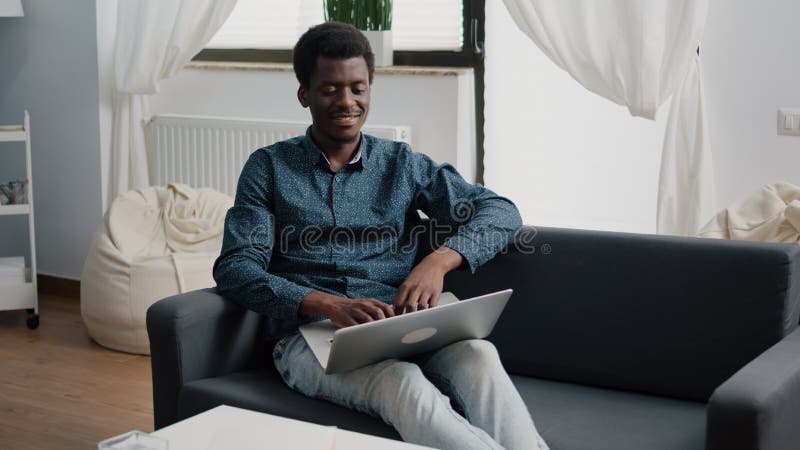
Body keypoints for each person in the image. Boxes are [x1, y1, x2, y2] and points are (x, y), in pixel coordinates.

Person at [213, 21, 549, 450]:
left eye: (358, 87)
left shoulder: (402, 164)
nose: (347, 101)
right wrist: (327, 304)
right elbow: (236, 267)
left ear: (370, 88)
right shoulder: (268, 169)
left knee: (480, 355)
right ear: (305, 94)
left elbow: (500, 211)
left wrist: (439, 260)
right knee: (401, 381)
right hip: (310, 339)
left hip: (403, 324)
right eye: (330, 89)